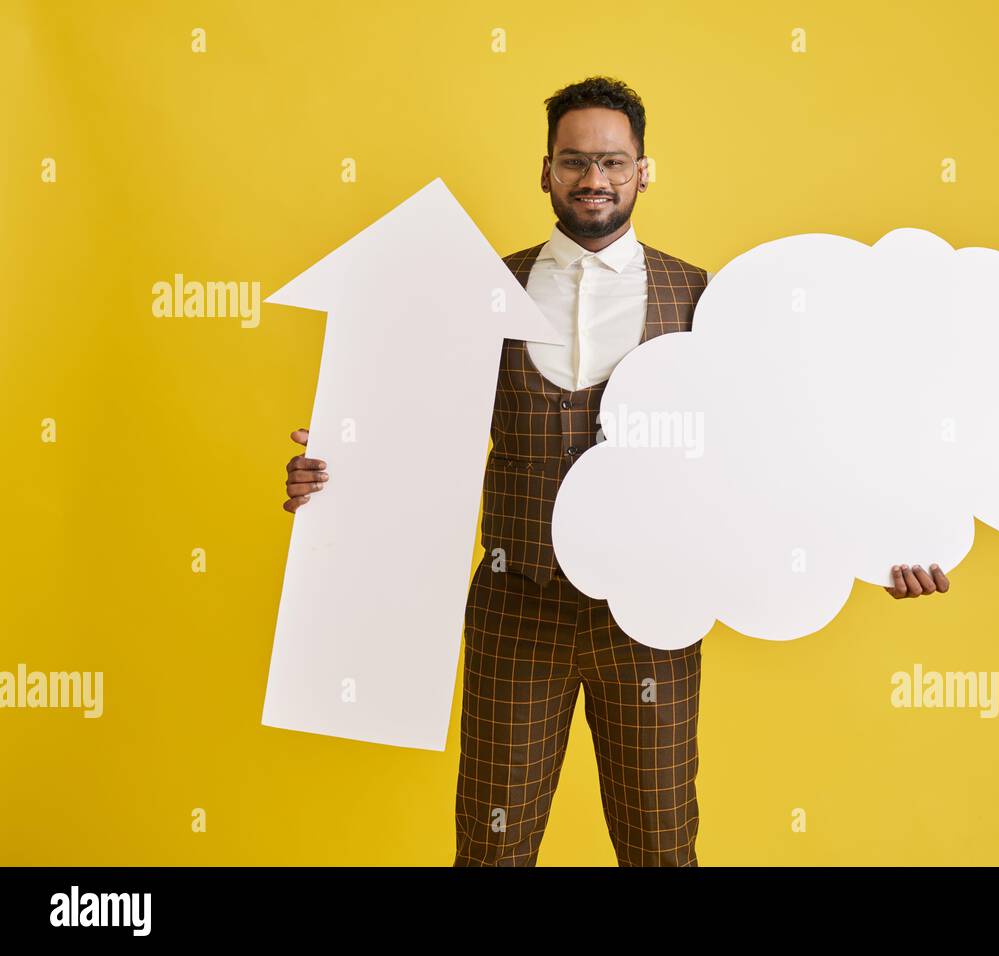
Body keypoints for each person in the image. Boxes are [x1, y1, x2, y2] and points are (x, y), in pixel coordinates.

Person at [281, 76, 950, 866]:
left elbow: (784, 448)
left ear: (643, 170)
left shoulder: (705, 298)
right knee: (489, 851)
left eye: (611, 162)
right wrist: (329, 480)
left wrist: (881, 549)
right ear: (545, 171)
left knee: (661, 849)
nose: (593, 179)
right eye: (573, 162)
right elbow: (416, 432)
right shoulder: (478, 291)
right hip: (515, 607)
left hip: (652, 623)